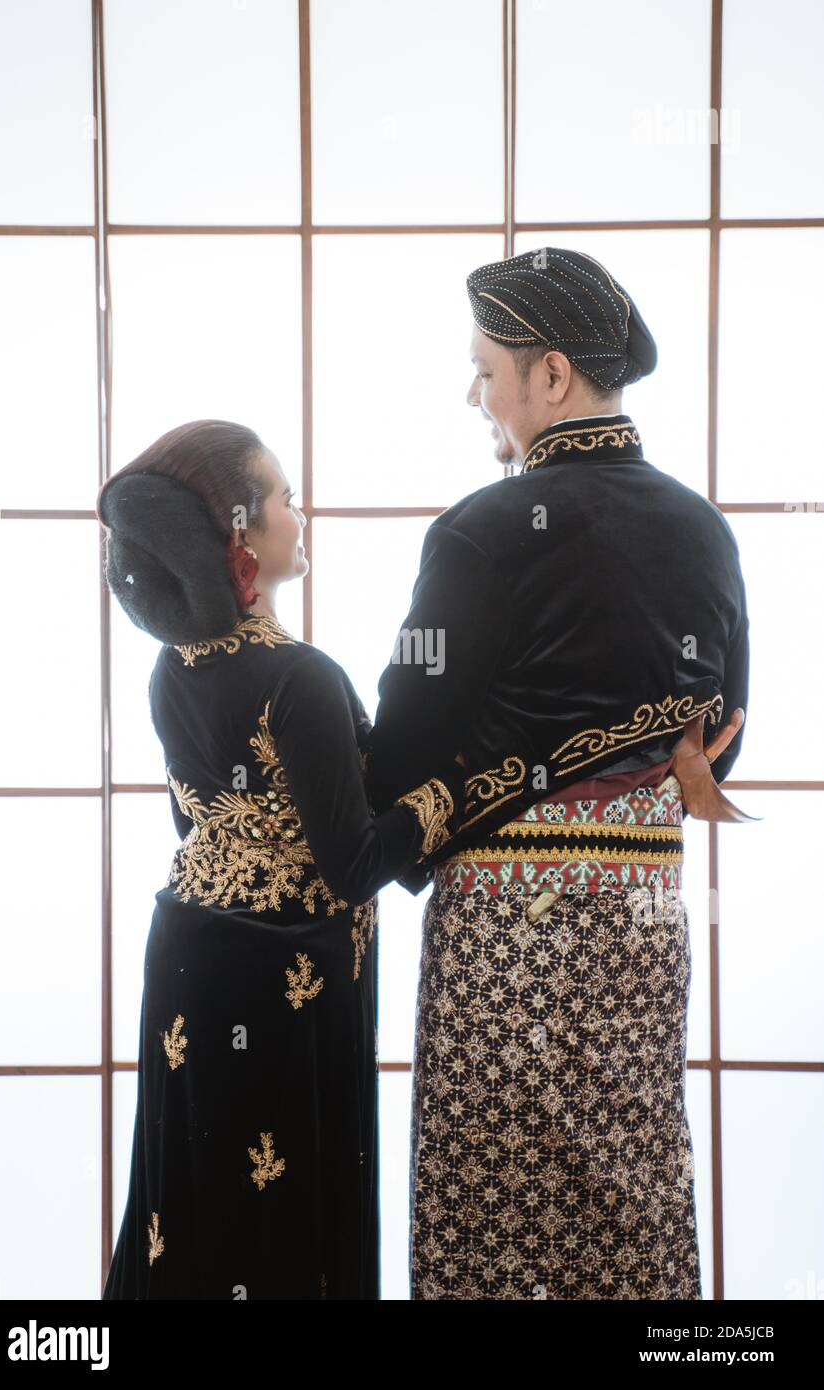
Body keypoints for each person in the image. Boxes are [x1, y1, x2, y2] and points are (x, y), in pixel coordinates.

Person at [364, 247, 752, 1300]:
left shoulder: (480, 532)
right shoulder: (702, 529)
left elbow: (397, 748)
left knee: (492, 1215)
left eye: (484, 367)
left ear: (548, 375)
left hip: (506, 927)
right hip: (638, 911)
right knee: (628, 1199)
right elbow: (721, 738)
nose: (472, 391)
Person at [96, 420, 467, 1300]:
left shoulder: (170, 670)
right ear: (241, 533)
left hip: (189, 958)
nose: (301, 515)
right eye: (286, 499)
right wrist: (451, 794)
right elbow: (352, 864)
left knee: (189, 1200)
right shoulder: (299, 678)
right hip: (287, 971)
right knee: (284, 1212)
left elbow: (199, 825)